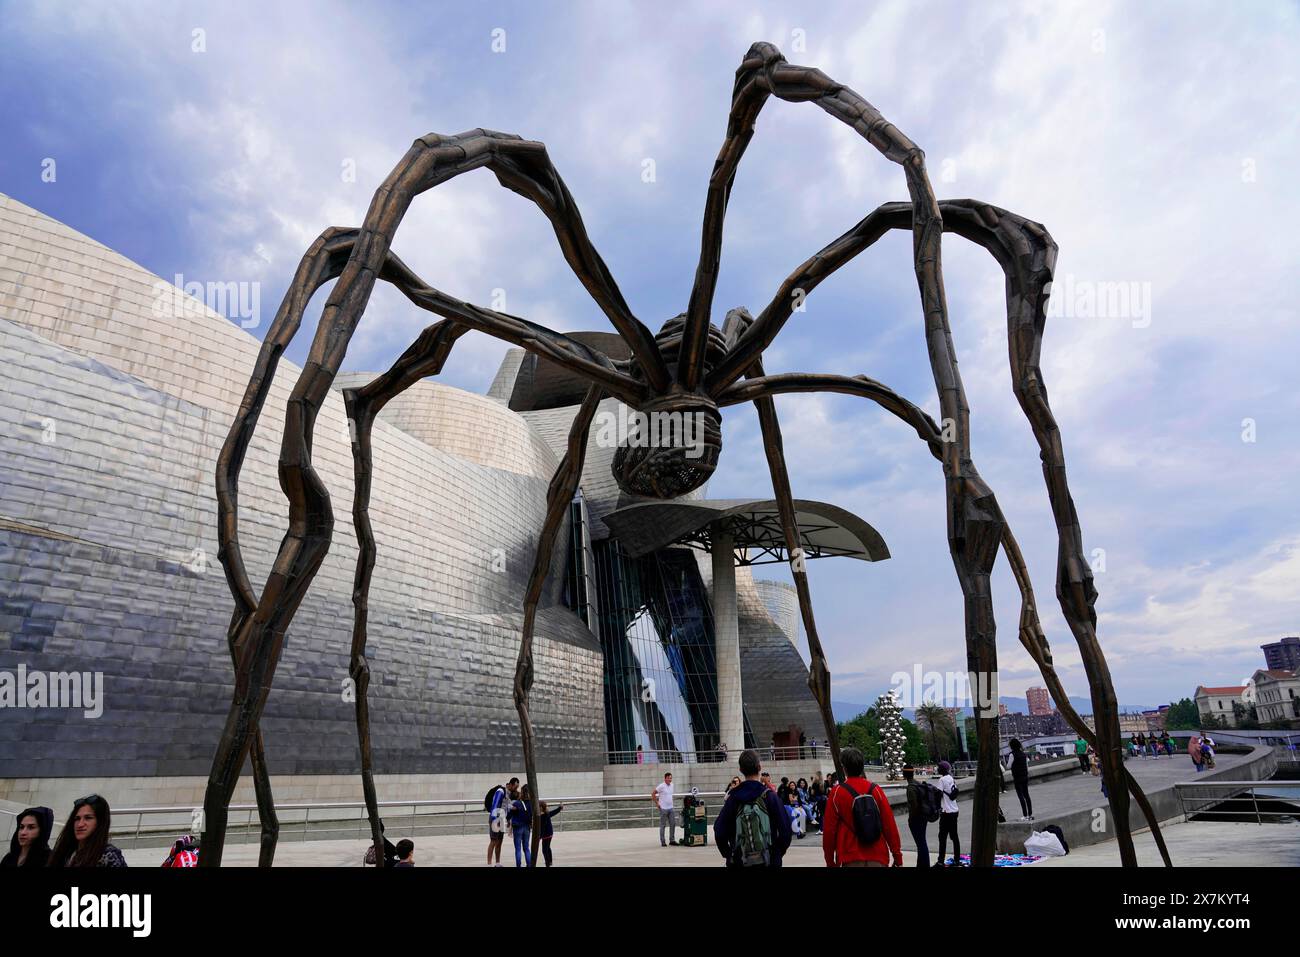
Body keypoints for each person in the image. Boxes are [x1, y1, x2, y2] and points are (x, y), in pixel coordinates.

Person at [822, 747, 902, 867]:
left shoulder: (837, 792)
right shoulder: (876, 790)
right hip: (877, 855)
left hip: (849, 856)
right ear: (862, 766)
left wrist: (829, 861)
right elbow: (889, 825)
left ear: (844, 768)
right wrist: (897, 856)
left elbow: (829, 830)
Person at [713, 748, 792, 867]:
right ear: (759, 767)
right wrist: (777, 854)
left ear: (740, 770)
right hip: (768, 860)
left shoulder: (733, 798)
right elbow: (785, 831)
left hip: (740, 860)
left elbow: (719, 831)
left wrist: (729, 855)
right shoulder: (770, 797)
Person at [48, 794, 126, 868]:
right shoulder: (67, 851)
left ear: (100, 822)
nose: (80, 824)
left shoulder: (108, 855)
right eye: (77, 819)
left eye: (88, 818)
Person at [935, 760, 962, 867]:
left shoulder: (941, 780)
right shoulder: (951, 778)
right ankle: (957, 860)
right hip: (954, 810)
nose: (937, 769)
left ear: (942, 769)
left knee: (942, 837)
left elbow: (938, 794)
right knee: (954, 837)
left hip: (946, 812)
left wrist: (937, 808)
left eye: (939, 768)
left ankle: (941, 861)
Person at [485, 778, 516, 867]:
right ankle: (489, 864)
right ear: (510, 784)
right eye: (515, 786)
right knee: (493, 841)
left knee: (499, 841)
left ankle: (498, 863)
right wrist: (495, 819)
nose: (515, 789)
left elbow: (507, 808)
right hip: (496, 818)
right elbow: (495, 804)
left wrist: (508, 820)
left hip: (502, 819)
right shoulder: (501, 791)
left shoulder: (509, 794)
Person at [903, 766, 930, 868]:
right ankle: (921, 864)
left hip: (917, 819)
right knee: (921, 842)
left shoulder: (911, 788)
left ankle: (925, 864)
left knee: (921, 844)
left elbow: (914, 806)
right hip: (923, 817)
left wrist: (911, 820)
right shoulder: (918, 784)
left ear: (905, 774)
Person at [1008, 738, 1033, 822]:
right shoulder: (1023, 754)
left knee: (1021, 796)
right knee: (1027, 795)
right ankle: (1030, 814)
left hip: (1017, 777)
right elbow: (1026, 766)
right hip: (1025, 776)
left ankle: (1025, 815)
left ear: (1011, 746)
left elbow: (1008, 766)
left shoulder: (1012, 755)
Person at [508, 784, 533, 867]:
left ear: (522, 792)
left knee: (518, 849)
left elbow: (509, 814)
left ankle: (518, 865)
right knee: (526, 848)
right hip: (527, 827)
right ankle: (529, 865)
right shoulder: (531, 804)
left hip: (517, 827)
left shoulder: (517, 803)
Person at [653, 771, 677, 847]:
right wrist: (657, 803)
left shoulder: (672, 785)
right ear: (665, 778)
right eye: (668, 778)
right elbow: (653, 793)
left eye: (671, 778)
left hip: (671, 808)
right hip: (663, 808)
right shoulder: (661, 786)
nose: (670, 779)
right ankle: (663, 841)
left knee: (673, 824)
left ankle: (672, 840)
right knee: (663, 825)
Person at [538, 800, 563, 867]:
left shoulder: (541, 817)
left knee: (544, 850)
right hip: (550, 833)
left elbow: (542, 828)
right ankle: (550, 861)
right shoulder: (547, 813)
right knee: (548, 847)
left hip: (545, 835)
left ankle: (547, 863)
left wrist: (539, 837)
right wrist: (559, 808)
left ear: (540, 808)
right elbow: (554, 812)